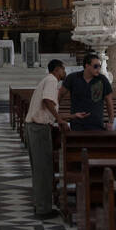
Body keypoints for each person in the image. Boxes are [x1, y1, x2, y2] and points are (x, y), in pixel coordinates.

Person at [24, 58, 77, 220]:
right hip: (39, 129)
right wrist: (60, 119)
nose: (65, 72)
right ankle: (43, 209)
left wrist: (70, 116)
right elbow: (47, 101)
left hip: (35, 127)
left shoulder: (48, 80)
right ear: (57, 69)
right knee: (43, 169)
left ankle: (40, 203)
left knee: (41, 168)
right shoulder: (52, 80)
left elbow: (49, 108)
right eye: (63, 69)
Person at [63, 52, 114, 131]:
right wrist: (60, 119)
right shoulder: (73, 78)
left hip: (97, 124)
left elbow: (109, 101)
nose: (98, 69)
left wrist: (111, 121)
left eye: (99, 66)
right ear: (87, 66)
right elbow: (59, 95)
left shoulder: (102, 79)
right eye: (96, 66)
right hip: (77, 124)